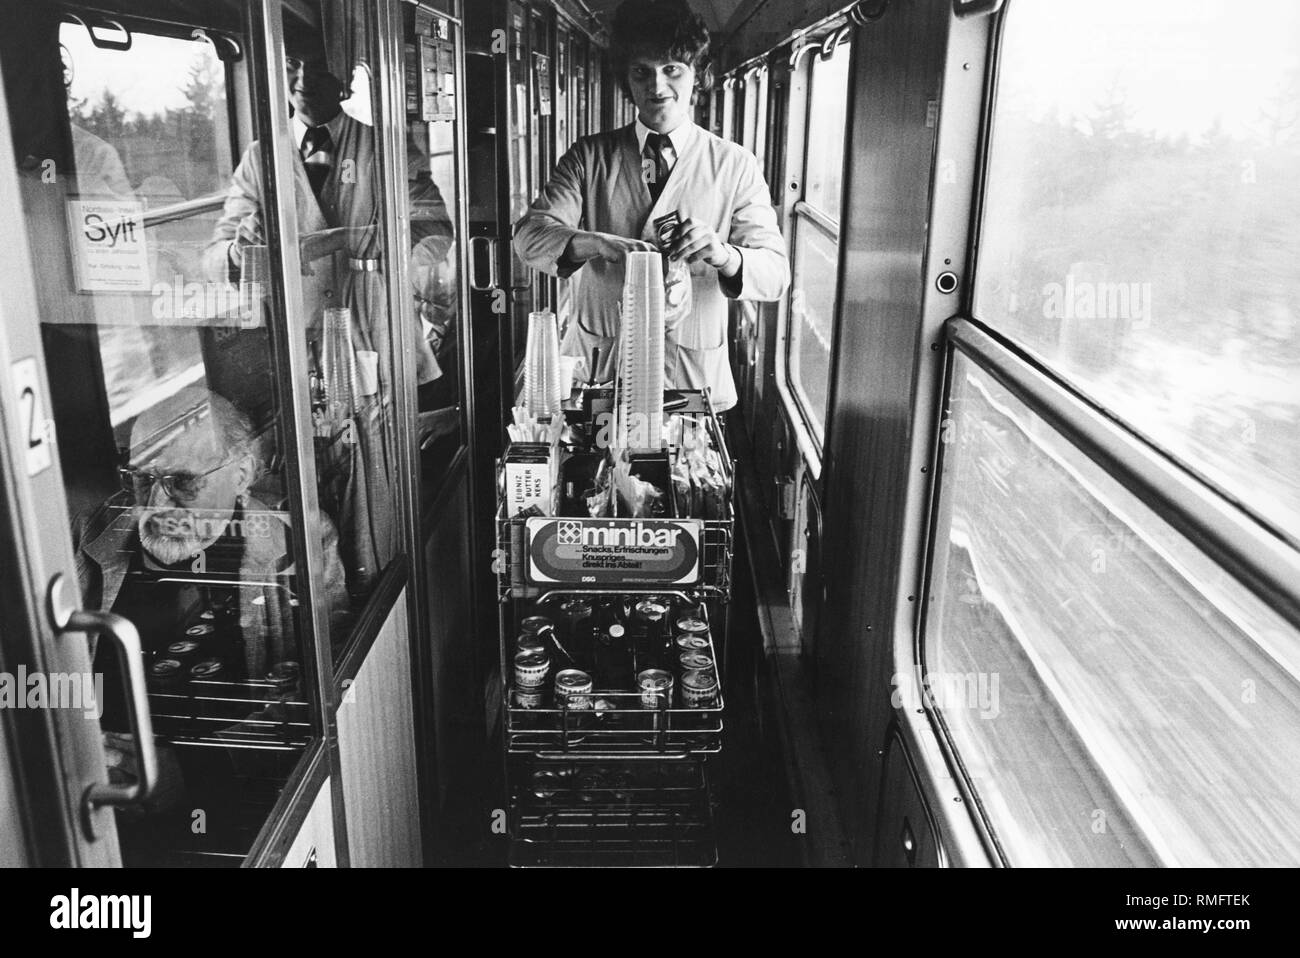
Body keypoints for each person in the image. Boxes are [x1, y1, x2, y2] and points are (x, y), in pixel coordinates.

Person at [512, 0, 789, 412]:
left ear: (697, 75)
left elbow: (775, 275)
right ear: (627, 80)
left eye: (672, 69)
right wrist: (597, 244)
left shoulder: (735, 165)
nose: (657, 87)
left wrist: (723, 253)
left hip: (692, 380)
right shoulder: (589, 157)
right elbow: (529, 237)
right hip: (603, 374)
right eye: (642, 72)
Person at [74, 387, 350, 689]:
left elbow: (330, 679)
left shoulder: (305, 539)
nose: (156, 504)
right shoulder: (84, 534)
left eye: (182, 481)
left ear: (241, 475)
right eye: (142, 478)